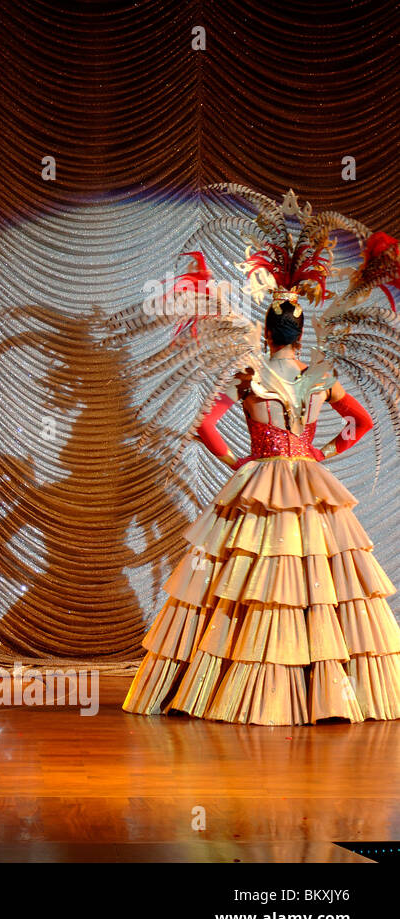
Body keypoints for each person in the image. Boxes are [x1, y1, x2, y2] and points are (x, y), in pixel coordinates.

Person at [122, 184, 400, 725]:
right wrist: (323, 450)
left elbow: (203, 424)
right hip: (309, 480)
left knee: (241, 584)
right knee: (316, 585)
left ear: (267, 330)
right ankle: (323, 693)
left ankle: (224, 690)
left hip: (256, 481)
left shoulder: (248, 375)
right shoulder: (323, 377)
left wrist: (235, 463)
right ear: (301, 333)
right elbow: (361, 422)